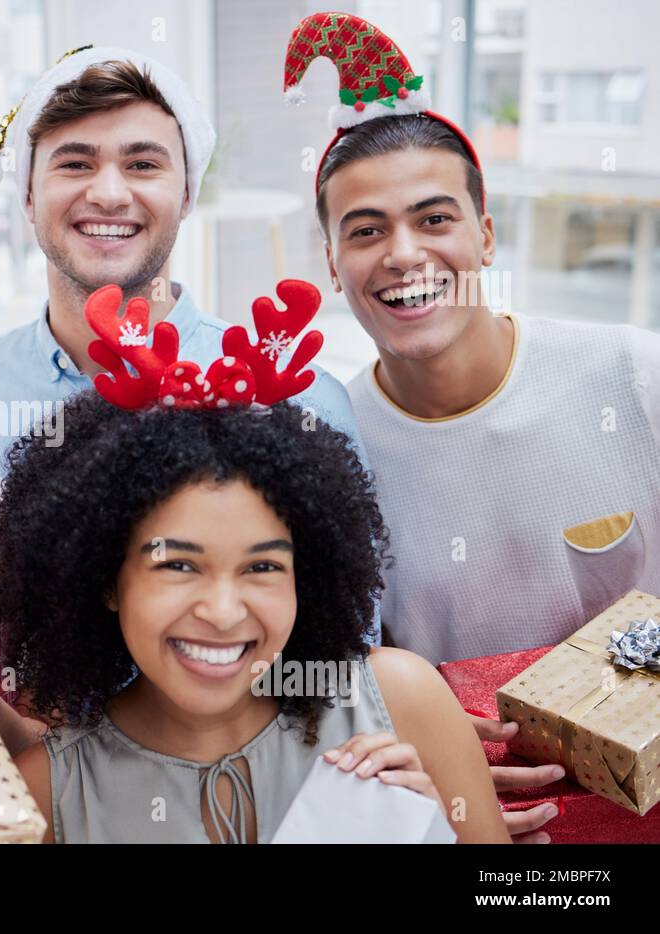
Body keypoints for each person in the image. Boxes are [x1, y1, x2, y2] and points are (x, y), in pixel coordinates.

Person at [281, 10, 660, 841]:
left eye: (435, 218)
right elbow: (329, 682)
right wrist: (440, 779)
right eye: (366, 231)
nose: (404, 252)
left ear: (485, 236)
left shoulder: (635, 375)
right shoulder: (324, 452)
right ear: (333, 267)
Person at [0, 285, 506, 843]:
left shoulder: (402, 701)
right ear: (106, 579)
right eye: (179, 567)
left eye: (262, 568)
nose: (221, 612)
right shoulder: (45, 796)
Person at [0, 47, 371, 505]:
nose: (108, 194)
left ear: (186, 195)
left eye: (142, 165)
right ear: (27, 195)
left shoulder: (305, 403)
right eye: (75, 164)